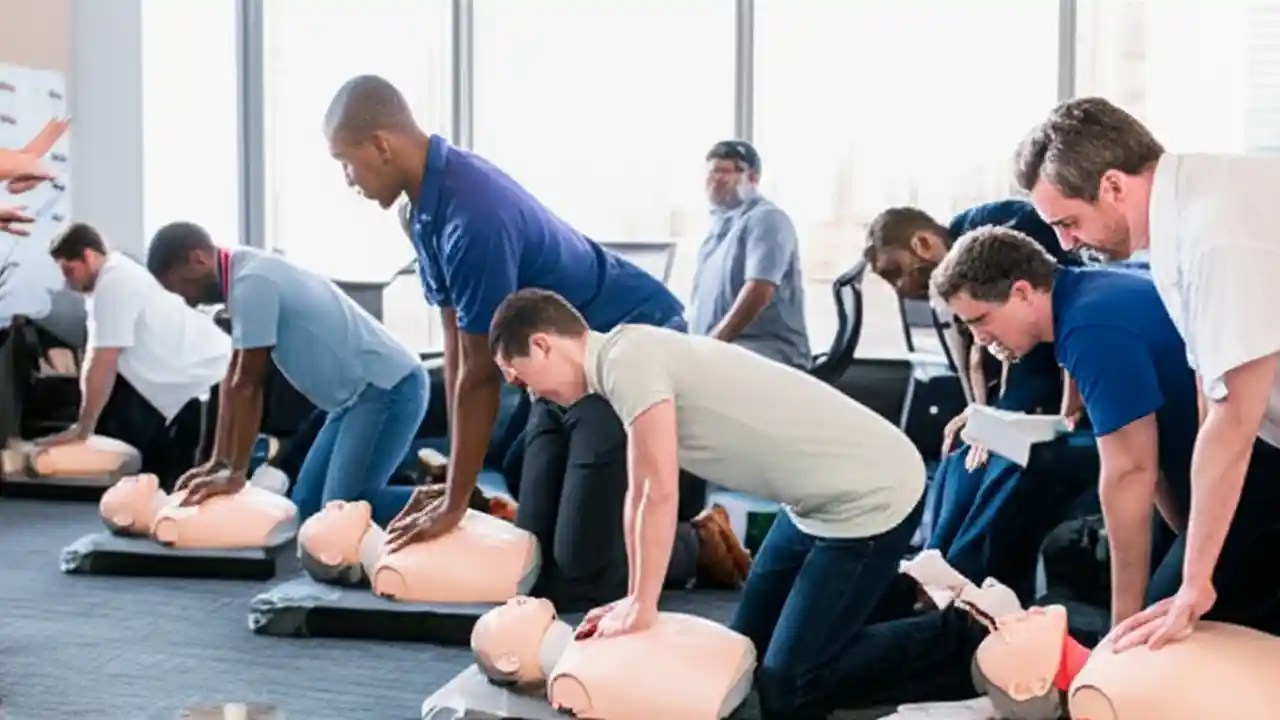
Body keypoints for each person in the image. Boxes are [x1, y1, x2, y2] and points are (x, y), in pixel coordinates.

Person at [321, 75, 697, 600]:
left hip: (627, 347)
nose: (347, 179)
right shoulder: (420, 212)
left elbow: (480, 376)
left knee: (579, 575)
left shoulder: (472, 215)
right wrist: (457, 483)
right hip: (559, 371)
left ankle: (699, 539)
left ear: (381, 145)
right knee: (533, 555)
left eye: (346, 161)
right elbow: (458, 349)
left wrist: (455, 504)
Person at [488, 288, 926, 720]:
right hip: (811, 505)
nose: (528, 393)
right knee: (743, 649)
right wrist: (634, 600)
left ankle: (957, 635)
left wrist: (642, 604)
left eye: (518, 375)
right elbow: (638, 494)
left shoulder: (628, 362)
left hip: (870, 497)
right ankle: (891, 595)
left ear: (541, 345)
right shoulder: (620, 364)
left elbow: (656, 493)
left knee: (788, 687)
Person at [1013, 95, 1280, 647]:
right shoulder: (1176, 217)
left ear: (1113, 186)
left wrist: (1198, 579)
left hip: (1255, 434)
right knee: (1173, 613)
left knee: (1187, 614)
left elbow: (1231, 422)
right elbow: (1212, 390)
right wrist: (1194, 551)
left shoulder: (1217, 230)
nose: (1065, 244)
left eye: (1069, 222)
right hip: (1265, 438)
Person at [931, 226, 1280, 641]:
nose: (979, 338)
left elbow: (1131, 472)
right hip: (1222, 475)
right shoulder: (1092, 291)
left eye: (981, 320)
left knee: (1149, 638)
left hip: (1249, 488)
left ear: (1023, 292)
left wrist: (1120, 628)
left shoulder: (1090, 330)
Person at [865, 203, 1087, 595]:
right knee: (959, 455)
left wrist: (1069, 401)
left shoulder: (1008, 233)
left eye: (896, 271)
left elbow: (1070, 304)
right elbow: (974, 353)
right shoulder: (954, 268)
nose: (900, 287)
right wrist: (981, 413)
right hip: (1015, 378)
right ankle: (937, 573)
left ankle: (971, 587)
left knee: (1002, 461)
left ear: (922, 243)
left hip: (1053, 374)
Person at [144, 221, 427, 525]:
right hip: (353, 400)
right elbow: (232, 379)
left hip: (388, 385)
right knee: (306, 507)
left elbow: (249, 384)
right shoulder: (241, 277)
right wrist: (217, 462)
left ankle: (459, 502)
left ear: (199, 258)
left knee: (344, 507)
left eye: (186, 285)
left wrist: (236, 473)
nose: (190, 300)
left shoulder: (253, 280)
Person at [39, 223, 229, 488]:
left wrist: (83, 428)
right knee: (165, 482)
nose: (67, 282)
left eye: (69, 270)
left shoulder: (115, 282)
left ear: (89, 256)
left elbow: (102, 360)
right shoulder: (110, 282)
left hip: (209, 380)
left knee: (190, 486)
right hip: (190, 388)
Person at [690, 140, 810, 368]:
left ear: (752, 179)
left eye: (725, 171)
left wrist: (715, 344)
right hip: (729, 351)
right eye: (711, 171)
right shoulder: (717, 232)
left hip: (764, 351)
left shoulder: (767, 219)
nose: (715, 179)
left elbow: (759, 290)